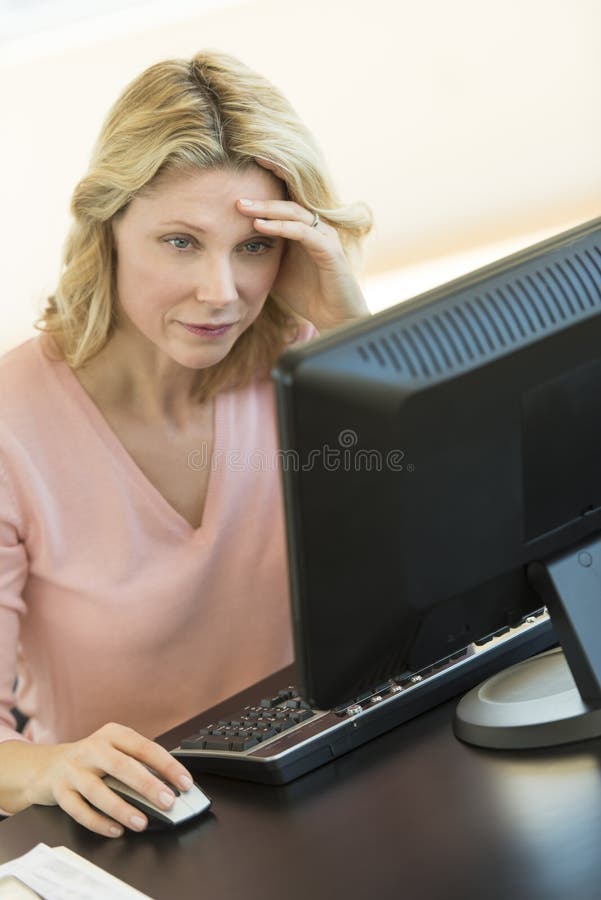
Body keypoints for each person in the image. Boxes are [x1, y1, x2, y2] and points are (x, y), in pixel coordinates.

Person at [0, 50, 371, 837]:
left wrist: (349, 335)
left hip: (328, 770)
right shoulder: (12, 425)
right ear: (107, 228)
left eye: (253, 246)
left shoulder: (307, 368)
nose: (220, 292)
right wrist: (50, 764)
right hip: (150, 826)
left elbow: (454, 564)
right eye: (179, 242)